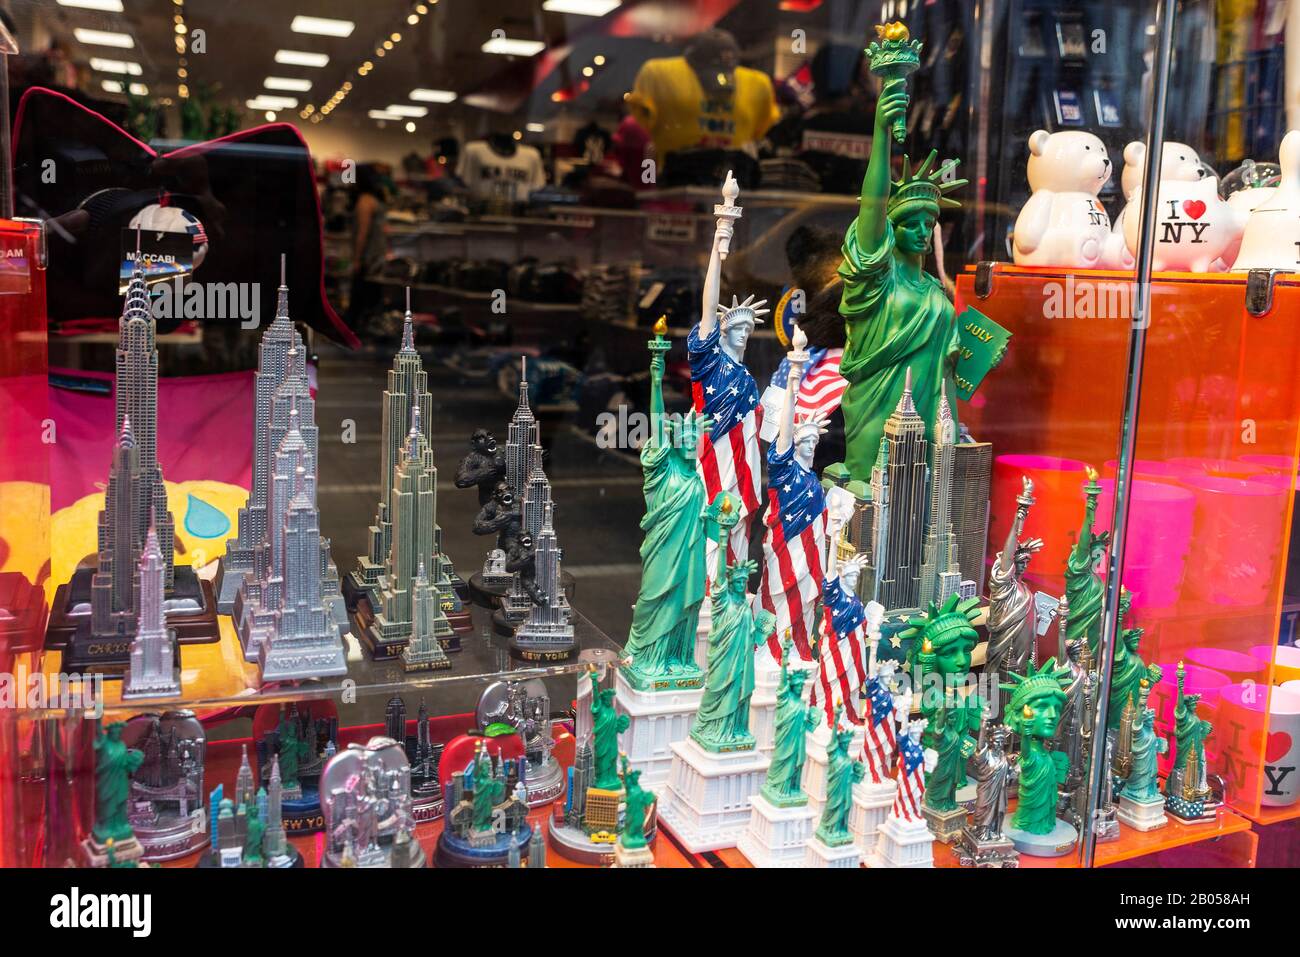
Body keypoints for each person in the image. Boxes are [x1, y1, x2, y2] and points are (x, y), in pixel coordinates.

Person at [345, 163, 390, 332]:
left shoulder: (364, 201)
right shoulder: (376, 199)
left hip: (368, 256)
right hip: (378, 254)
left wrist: (356, 258)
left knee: (360, 294)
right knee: (372, 293)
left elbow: (362, 232)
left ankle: (355, 330)